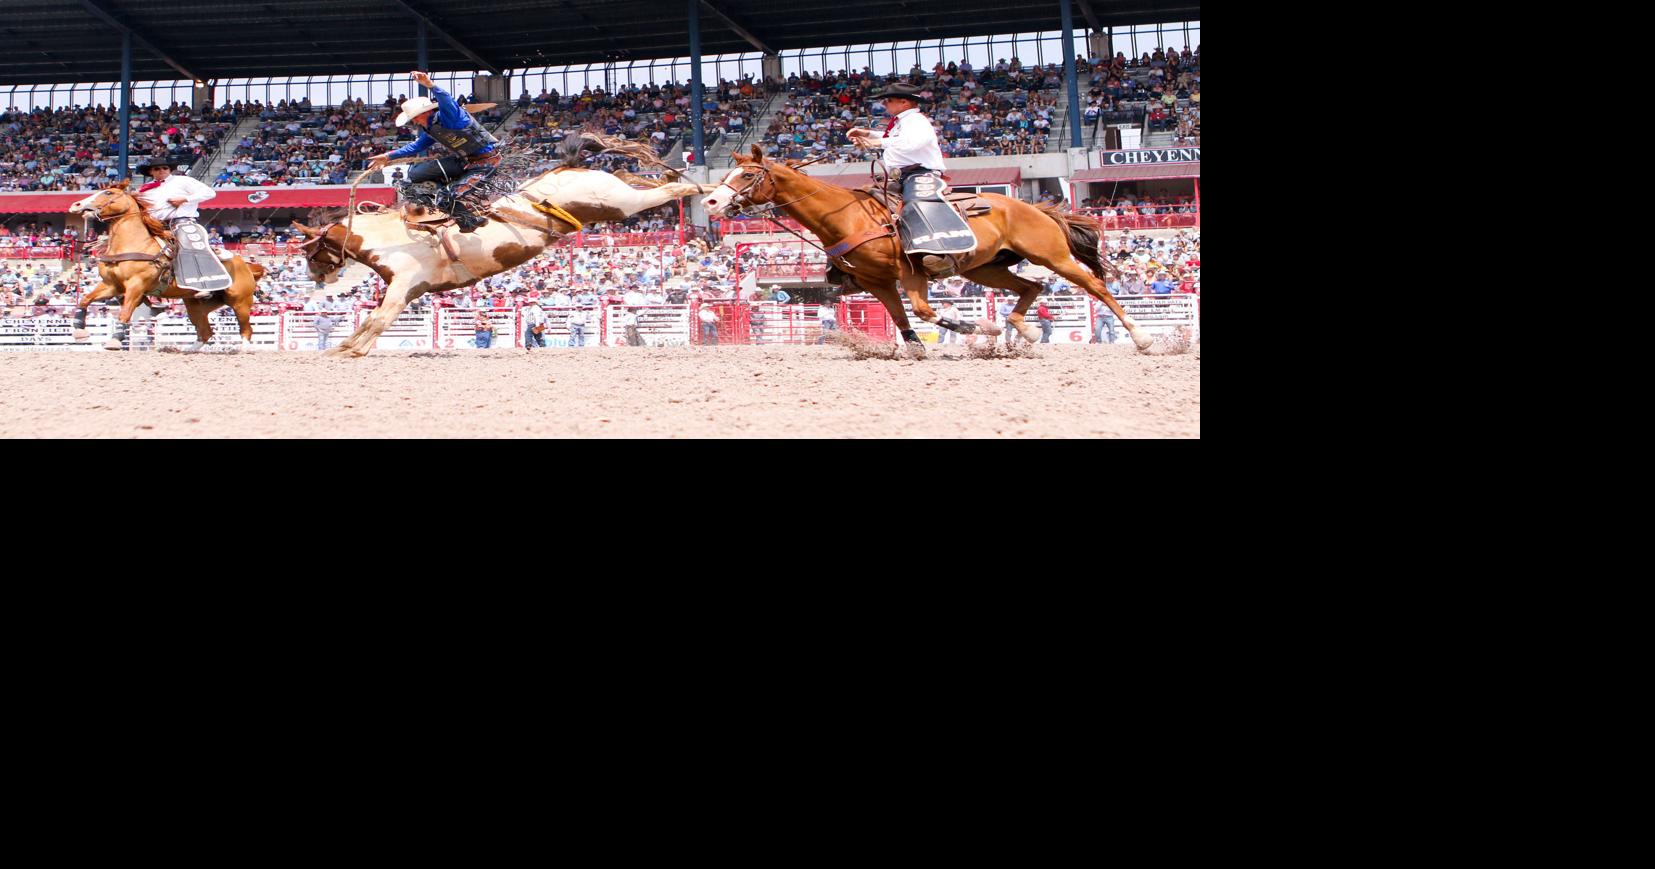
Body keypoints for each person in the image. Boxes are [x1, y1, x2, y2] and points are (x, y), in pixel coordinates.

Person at [847, 83, 974, 278]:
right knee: (866, 201)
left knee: (917, 204)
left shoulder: (915, 120)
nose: (885, 104)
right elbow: (896, 138)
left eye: (889, 100)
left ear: (904, 102)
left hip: (921, 173)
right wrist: (868, 134)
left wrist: (878, 142)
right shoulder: (902, 121)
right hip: (901, 175)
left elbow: (914, 142)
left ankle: (941, 254)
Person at [367, 71, 500, 232]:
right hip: (465, 162)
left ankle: (468, 220)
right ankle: (448, 195)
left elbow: (447, 100)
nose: (414, 121)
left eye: (415, 117)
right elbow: (416, 146)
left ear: (426, 112)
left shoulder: (451, 116)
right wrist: (388, 156)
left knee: (444, 196)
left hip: (486, 163)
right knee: (415, 176)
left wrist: (431, 85)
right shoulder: (430, 128)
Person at [133, 160, 228, 300]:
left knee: (189, 247)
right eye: (157, 168)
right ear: (151, 172)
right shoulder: (145, 189)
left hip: (182, 222)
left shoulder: (183, 181)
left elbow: (209, 192)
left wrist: (185, 199)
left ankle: (206, 283)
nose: (161, 170)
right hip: (156, 225)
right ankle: (145, 286)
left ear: (169, 170)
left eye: (165, 167)